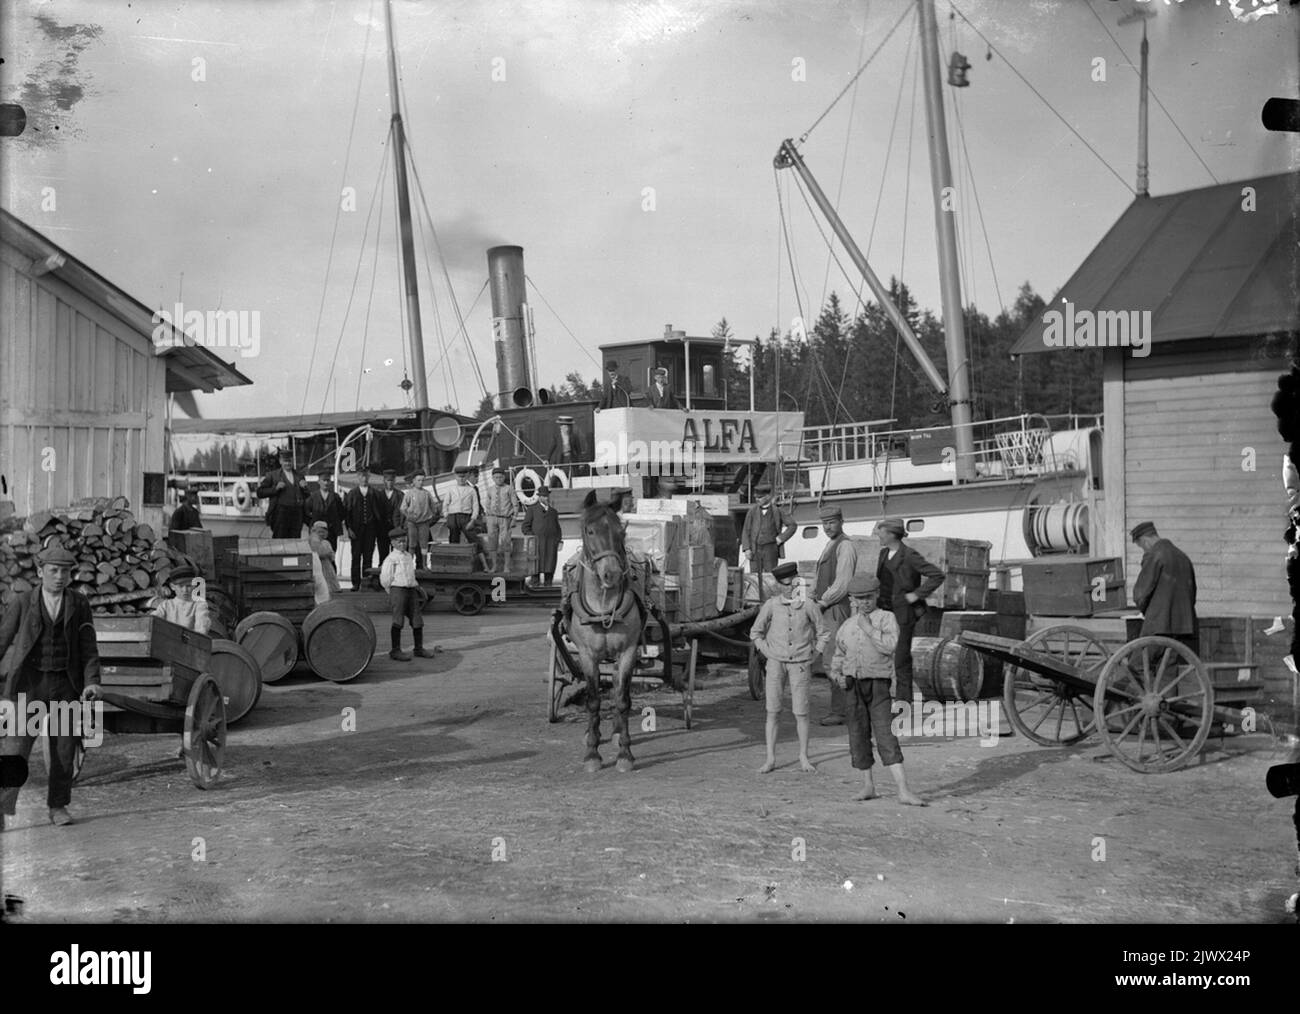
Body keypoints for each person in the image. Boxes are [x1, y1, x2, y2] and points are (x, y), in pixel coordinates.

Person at [0, 545, 100, 829]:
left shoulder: (79, 604)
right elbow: (2, 640)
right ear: (40, 571)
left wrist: (92, 681)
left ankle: (58, 806)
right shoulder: (23, 602)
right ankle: (3, 808)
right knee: (15, 749)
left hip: (65, 686)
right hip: (29, 685)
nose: (59, 577)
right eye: (54, 571)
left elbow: (89, 648)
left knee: (64, 750)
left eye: (65, 571)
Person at [830, 574, 926, 805]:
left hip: (878, 687)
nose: (865, 602)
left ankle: (903, 790)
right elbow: (838, 655)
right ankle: (868, 786)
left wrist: (869, 629)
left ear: (876, 596)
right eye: (859, 598)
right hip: (853, 687)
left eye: (869, 597)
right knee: (858, 736)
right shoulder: (846, 626)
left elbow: (890, 646)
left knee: (885, 735)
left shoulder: (886, 618)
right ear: (852, 599)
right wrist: (837, 676)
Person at [751, 561, 828, 774]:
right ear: (778, 585)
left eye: (792, 584)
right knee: (773, 711)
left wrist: (815, 655)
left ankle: (803, 756)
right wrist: (766, 650)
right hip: (775, 663)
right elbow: (755, 632)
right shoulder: (771, 605)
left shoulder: (809, 606)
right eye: (784, 585)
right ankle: (770, 758)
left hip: (801, 665)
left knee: (801, 712)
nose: (789, 588)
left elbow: (823, 632)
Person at [875, 517, 944, 712]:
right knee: (882, 653)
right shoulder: (883, 554)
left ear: (891, 534)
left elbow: (937, 575)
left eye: (881, 531)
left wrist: (917, 594)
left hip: (903, 612)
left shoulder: (910, 555)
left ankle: (904, 702)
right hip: (884, 610)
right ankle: (883, 698)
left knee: (901, 658)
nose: (878, 534)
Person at [813, 505, 859, 727]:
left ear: (841, 521)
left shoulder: (845, 546)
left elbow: (842, 583)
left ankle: (840, 711)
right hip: (825, 608)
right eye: (824, 523)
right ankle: (843, 708)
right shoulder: (831, 544)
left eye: (831, 522)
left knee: (834, 660)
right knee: (829, 659)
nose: (827, 527)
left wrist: (822, 601)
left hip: (835, 609)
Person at [1131, 521, 1198, 652]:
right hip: (1184, 627)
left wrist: (1143, 610)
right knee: (1168, 668)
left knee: (1136, 665)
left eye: (1141, 547)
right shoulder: (1183, 557)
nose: (1144, 550)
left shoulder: (1155, 555)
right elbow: (1193, 593)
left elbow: (1141, 594)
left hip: (1159, 625)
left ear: (1145, 541)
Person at [379, 529, 435, 662]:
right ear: (393, 543)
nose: (403, 544)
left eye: (404, 541)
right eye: (399, 542)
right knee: (398, 620)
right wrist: (392, 591)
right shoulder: (390, 559)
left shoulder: (409, 556)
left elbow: (411, 574)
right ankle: (395, 650)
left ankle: (418, 648)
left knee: (417, 619)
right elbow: (385, 579)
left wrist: (416, 586)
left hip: (411, 590)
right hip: (398, 590)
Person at [739, 483, 795, 575]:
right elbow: (746, 531)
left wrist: (781, 538)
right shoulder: (752, 511)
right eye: (756, 497)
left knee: (771, 575)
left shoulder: (777, 511)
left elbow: (792, 525)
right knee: (754, 576)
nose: (757, 499)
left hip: (771, 549)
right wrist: (746, 549)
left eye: (760, 497)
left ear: (768, 496)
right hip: (754, 549)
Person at [343, 470, 383, 591]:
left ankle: (366, 582)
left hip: (371, 529)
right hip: (356, 530)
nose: (364, 479)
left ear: (369, 477)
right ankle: (355, 583)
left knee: (368, 556)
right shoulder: (352, 493)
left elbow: (379, 512)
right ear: (358, 477)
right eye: (361, 476)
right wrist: (349, 528)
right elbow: (347, 513)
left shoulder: (375, 493)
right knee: (355, 557)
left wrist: (377, 529)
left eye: (366, 476)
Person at [257, 452, 311, 539]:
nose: (288, 463)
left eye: (289, 461)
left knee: (295, 542)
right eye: (285, 461)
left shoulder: (299, 475)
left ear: (292, 461)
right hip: (280, 515)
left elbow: (307, 496)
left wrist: (305, 488)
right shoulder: (272, 475)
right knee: (279, 542)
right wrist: (275, 488)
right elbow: (260, 492)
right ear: (280, 461)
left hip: (297, 515)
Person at [149, 565, 210, 634]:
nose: (185, 590)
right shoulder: (166, 605)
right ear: (172, 587)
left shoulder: (199, 605)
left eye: (188, 586)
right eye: (180, 586)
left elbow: (201, 629)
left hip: (191, 643)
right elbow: (151, 620)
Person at [521, 484, 562, 587]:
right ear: (539, 497)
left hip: (551, 544)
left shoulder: (553, 511)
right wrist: (532, 538)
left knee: (550, 566)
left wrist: (558, 540)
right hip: (537, 544)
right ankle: (535, 588)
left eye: (547, 495)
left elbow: (557, 528)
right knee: (536, 567)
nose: (546, 498)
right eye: (543, 496)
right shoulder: (532, 509)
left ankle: (548, 588)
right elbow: (525, 526)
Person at [401, 472, 441, 568]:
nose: (421, 482)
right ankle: (409, 565)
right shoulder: (409, 494)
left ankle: (424, 565)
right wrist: (409, 516)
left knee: (424, 544)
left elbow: (434, 507)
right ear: (414, 481)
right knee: (412, 543)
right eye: (418, 480)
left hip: (424, 523)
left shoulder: (427, 494)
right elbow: (403, 508)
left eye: (423, 480)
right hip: (412, 523)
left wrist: (431, 516)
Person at [483, 466, 519, 572]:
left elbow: (515, 505)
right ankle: (494, 566)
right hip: (492, 519)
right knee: (492, 542)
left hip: (505, 519)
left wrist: (514, 519)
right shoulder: (490, 490)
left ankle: (506, 566)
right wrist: (488, 517)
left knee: (506, 542)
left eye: (500, 477)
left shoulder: (509, 489)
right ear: (493, 478)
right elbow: (487, 504)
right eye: (496, 477)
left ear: (504, 477)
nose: (498, 479)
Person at [304, 475, 345, 553]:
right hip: (317, 532)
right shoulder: (313, 497)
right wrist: (313, 524)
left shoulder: (335, 497)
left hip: (331, 531)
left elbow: (342, 512)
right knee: (317, 553)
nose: (326, 483)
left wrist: (335, 523)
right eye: (323, 480)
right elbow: (306, 512)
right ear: (319, 482)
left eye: (328, 480)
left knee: (331, 551)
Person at [441, 466, 479, 546]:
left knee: (473, 539)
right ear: (455, 477)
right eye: (459, 477)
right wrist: (447, 516)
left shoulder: (471, 490)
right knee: (453, 539)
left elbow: (475, 506)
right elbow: (445, 504)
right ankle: (454, 557)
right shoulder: (451, 489)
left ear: (467, 477)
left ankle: (481, 557)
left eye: (463, 477)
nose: (461, 479)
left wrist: (473, 520)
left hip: (466, 517)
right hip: (453, 517)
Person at [308, 521, 342, 602]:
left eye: (324, 532)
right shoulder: (314, 539)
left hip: (325, 563)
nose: (322, 534)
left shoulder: (323, 541)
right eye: (320, 532)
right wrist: (328, 553)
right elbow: (318, 552)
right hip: (319, 563)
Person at [375, 468, 404, 562]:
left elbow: (403, 512)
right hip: (382, 529)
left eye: (392, 480)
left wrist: (401, 527)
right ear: (384, 480)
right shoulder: (378, 495)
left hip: (396, 528)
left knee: (396, 554)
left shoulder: (400, 495)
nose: (390, 483)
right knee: (383, 554)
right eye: (388, 480)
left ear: (395, 481)